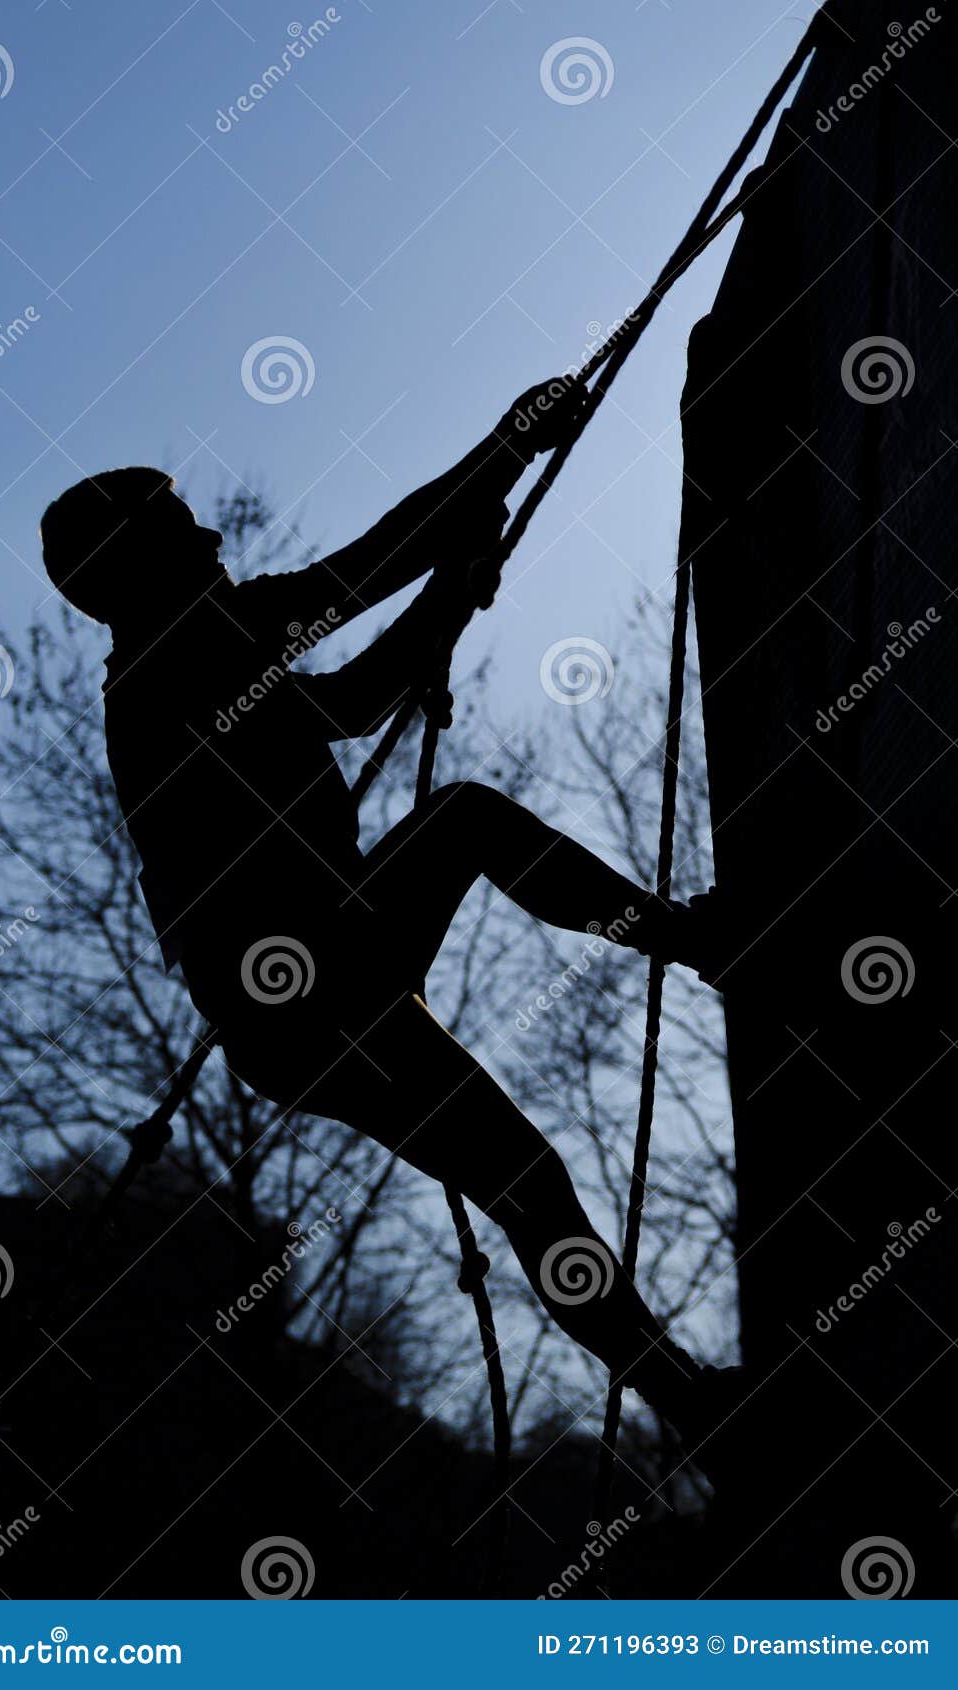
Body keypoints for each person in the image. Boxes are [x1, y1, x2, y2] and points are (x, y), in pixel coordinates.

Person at [40, 380, 724, 1461]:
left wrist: (450, 587)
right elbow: (363, 608)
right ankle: (703, 945)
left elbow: (355, 660)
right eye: (183, 530)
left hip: (304, 998)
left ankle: (696, 1410)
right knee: (465, 827)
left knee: (526, 1179)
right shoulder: (186, 652)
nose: (213, 536)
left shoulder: (174, 662)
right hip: (316, 978)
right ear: (137, 569)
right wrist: (498, 457)